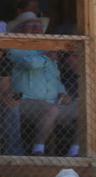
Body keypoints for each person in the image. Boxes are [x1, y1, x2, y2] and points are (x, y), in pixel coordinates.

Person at [6, 12, 76, 156]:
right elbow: (30, 64)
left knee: (85, 109)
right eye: (31, 25)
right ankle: (38, 151)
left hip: (52, 102)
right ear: (20, 29)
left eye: (38, 25)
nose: (37, 28)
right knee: (51, 110)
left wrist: (63, 92)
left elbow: (56, 78)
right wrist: (46, 56)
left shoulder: (46, 51)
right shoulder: (13, 47)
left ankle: (75, 152)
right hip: (23, 101)